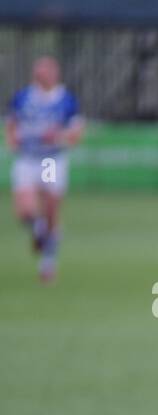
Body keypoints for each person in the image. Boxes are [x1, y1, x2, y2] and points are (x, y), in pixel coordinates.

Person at [6, 56, 82, 283]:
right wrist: (12, 141)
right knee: (25, 210)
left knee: (50, 207)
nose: (42, 75)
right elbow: (12, 125)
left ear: (55, 74)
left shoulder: (65, 100)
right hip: (28, 159)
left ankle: (47, 262)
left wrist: (58, 136)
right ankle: (39, 230)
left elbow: (75, 133)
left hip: (50, 160)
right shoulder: (23, 98)